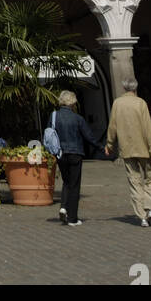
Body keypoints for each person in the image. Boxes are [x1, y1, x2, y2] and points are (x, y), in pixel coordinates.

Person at [105, 78, 151, 227]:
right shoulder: (141, 103)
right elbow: (148, 129)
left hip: (127, 149)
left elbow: (113, 126)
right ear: (135, 88)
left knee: (134, 181)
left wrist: (109, 144)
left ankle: (142, 216)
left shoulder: (117, 103)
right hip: (143, 148)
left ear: (124, 88)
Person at [50, 90, 101, 227]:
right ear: (72, 102)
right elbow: (88, 137)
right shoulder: (78, 118)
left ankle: (63, 207)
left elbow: (50, 133)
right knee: (74, 185)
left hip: (60, 153)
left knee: (66, 182)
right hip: (75, 153)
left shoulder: (54, 116)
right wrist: (102, 148)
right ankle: (72, 218)